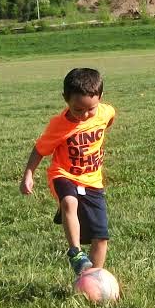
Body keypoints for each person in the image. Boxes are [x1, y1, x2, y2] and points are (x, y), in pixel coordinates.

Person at [20, 67, 116, 277]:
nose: (84, 115)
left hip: (93, 181)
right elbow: (39, 149)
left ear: (100, 97)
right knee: (69, 202)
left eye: (89, 109)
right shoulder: (59, 125)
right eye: (77, 110)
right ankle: (76, 252)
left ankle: (93, 279)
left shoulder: (105, 112)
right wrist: (28, 174)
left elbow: (108, 119)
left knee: (101, 237)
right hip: (64, 174)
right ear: (65, 99)